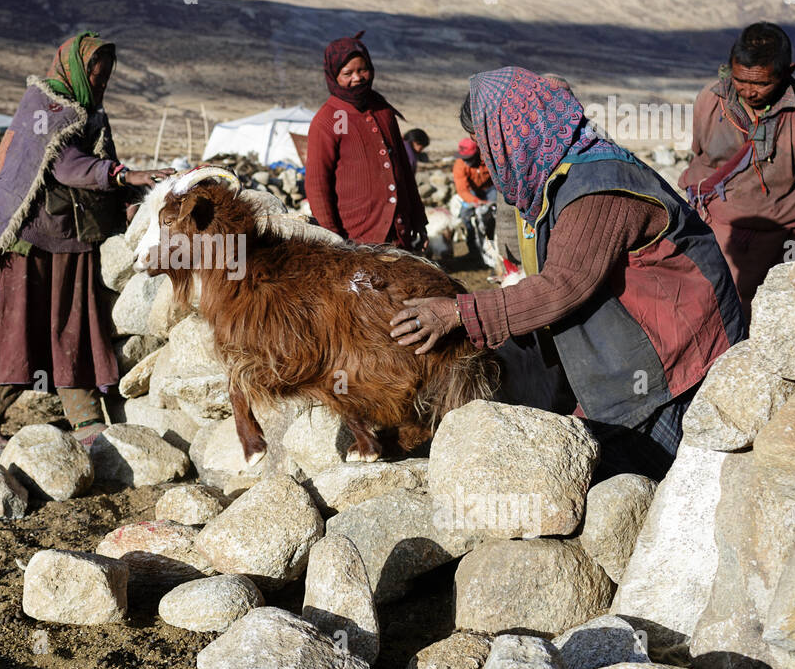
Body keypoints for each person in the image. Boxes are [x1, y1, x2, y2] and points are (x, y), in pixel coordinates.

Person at [390, 67, 746, 476]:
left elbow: (563, 285)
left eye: (490, 146)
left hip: (675, 362)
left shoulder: (594, 187)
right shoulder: (563, 171)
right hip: (643, 350)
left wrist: (457, 313)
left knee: (679, 482)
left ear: (513, 134)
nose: (488, 159)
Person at [0, 32, 172, 451]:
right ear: (75, 68)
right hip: (27, 244)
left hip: (72, 242)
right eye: (96, 75)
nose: (101, 84)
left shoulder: (90, 112)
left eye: (107, 77)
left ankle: (85, 417)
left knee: (72, 329)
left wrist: (128, 199)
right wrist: (123, 175)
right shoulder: (44, 107)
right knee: (16, 330)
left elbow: (93, 169)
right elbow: (69, 167)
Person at [679, 22, 795, 318]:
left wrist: (787, 208)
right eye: (741, 80)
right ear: (730, 68)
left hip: (783, 240)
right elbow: (700, 152)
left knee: (784, 315)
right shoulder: (711, 101)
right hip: (719, 231)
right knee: (714, 310)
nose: (750, 91)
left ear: (787, 71)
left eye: (762, 83)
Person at [306, 31, 428, 250]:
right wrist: (333, 239)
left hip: (399, 233)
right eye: (347, 73)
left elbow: (404, 171)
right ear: (333, 75)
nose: (357, 78)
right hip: (356, 240)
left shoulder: (383, 111)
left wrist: (418, 218)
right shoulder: (328, 120)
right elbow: (317, 185)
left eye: (363, 70)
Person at [452, 136, 498, 259]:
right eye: (464, 158)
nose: (465, 161)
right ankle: (472, 250)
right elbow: (462, 190)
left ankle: (495, 246)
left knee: (495, 214)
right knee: (465, 215)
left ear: (477, 153)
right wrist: (477, 201)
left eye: (468, 158)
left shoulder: (489, 158)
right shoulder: (459, 165)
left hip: (491, 188)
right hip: (472, 192)